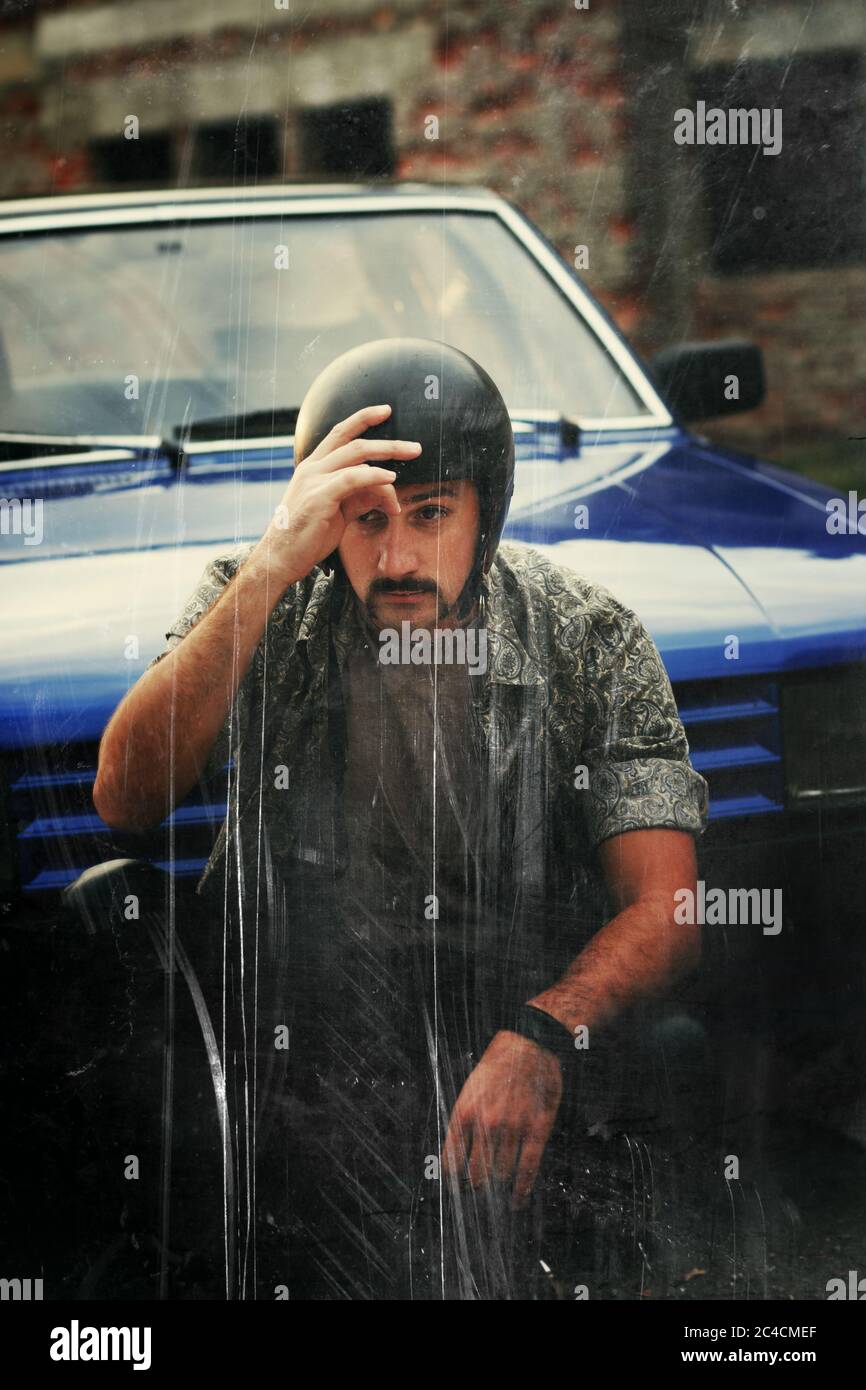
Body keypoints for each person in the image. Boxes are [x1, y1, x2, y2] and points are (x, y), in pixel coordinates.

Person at [83, 337, 709, 1300]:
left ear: (484, 516)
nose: (399, 556)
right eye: (364, 520)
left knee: (672, 1074)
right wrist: (268, 569)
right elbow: (124, 801)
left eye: (431, 514)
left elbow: (666, 907)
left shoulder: (588, 634)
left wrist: (543, 1035)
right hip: (296, 1049)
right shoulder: (265, 604)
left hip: (505, 1021)